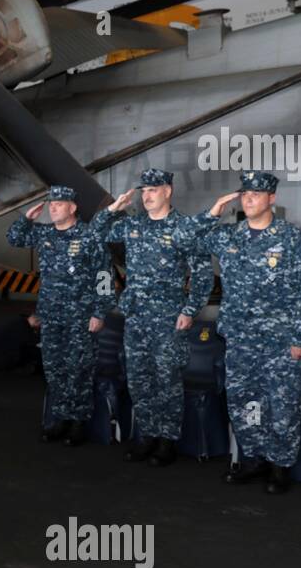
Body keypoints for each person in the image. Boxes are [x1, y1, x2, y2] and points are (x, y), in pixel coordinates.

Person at [181, 171, 301, 494]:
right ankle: (254, 458)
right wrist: (212, 212)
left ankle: (280, 465)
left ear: (272, 198)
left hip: (281, 340)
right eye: (245, 193)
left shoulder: (292, 239)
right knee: (245, 402)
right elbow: (186, 236)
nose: (249, 198)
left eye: (256, 194)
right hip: (241, 339)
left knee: (282, 403)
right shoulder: (229, 236)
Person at [91, 169, 214, 466]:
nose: (147, 196)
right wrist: (112, 209)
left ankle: (166, 440)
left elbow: (202, 273)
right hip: (136, 317)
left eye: (153, 190)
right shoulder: (133, 225)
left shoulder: (184, 227)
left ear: (168, 191)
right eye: (143, 191)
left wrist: (189, 309)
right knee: (139, 379)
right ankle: (146, 435)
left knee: (167, 379)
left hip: (169, 317)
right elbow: (96, 232)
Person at [7, 185, 115, 446]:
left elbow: (104, 277)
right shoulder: (45, 234)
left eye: (58, 203)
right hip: (51, 316)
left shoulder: (89, 236)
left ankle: (78, 422)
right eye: (51, 203)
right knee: (55, 369)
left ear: (72, 207)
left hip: (81, 316)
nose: (53, 207)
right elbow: (14, 238)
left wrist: (100, 312)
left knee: (79, 368)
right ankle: (61, 418)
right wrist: (27, 218)